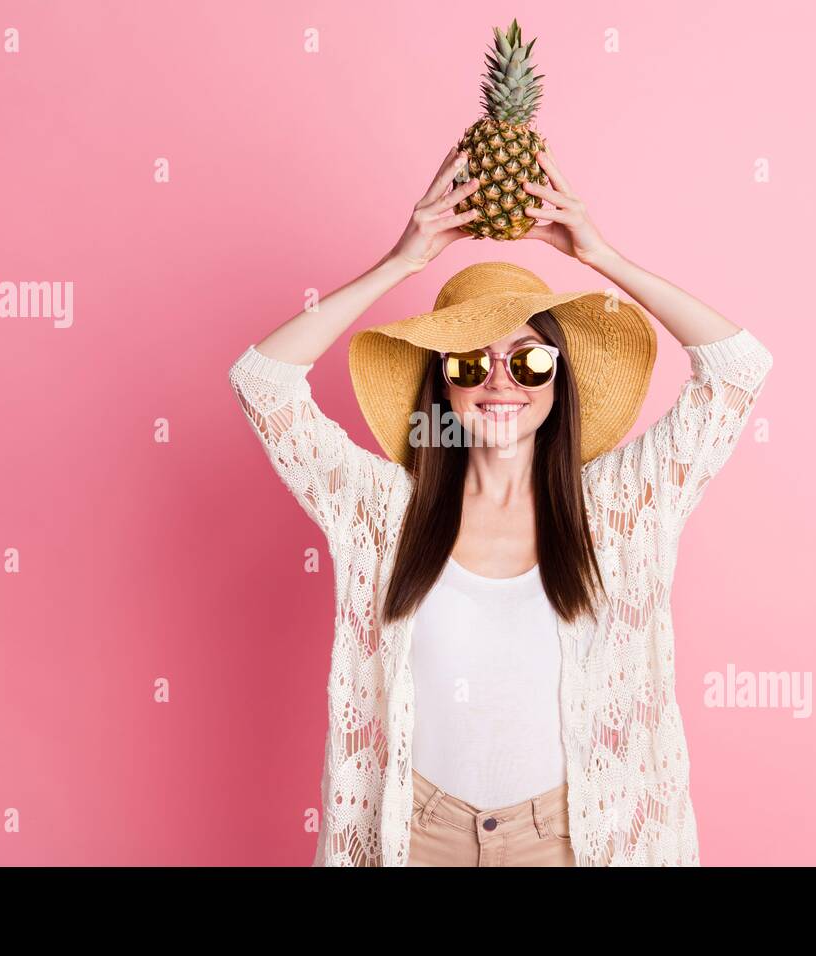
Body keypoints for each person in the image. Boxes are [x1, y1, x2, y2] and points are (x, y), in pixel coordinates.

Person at [229, 147, 775, 866]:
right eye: (467, 361)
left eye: (529, 359)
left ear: (557, 381)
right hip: (416, 836)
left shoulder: (618, 508)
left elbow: (736, 372)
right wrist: (400, 262)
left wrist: (600, 255)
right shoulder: (383, 513)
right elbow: (262, 383)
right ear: (441, 388)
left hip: (574, 841)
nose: (500, 382)